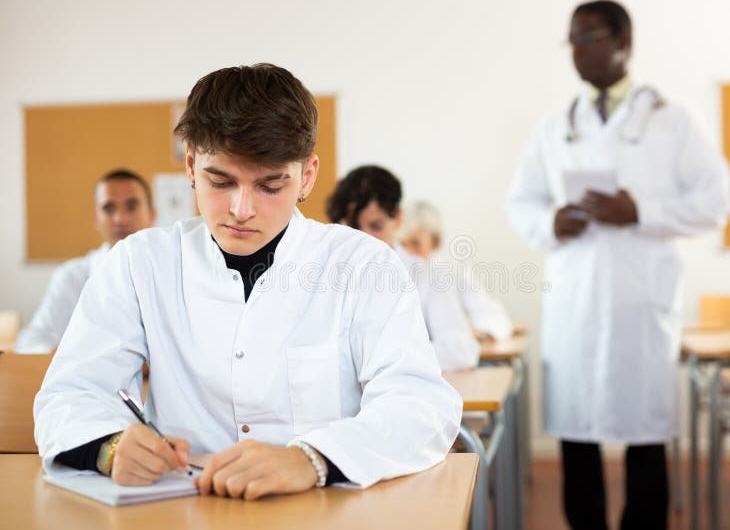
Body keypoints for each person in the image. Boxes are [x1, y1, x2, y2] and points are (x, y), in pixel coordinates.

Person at [34, 63, 462, 498]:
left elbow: (422, 405)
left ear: (306, 177)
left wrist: (312, 459)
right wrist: (110, 447)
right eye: (220, 181)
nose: (241, 209)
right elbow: (69, 396)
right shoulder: (138, 264)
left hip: (323, 509)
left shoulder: (363, 265)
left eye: (270, 186)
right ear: (190, 165)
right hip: (183, 508)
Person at [506, 0, 730, 529]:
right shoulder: (553, 127)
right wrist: (552, 223)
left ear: (622, 39)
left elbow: (716, 202)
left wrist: (642, 212)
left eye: (587, 37)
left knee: (645, 439)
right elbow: (521, 203)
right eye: (572, 40)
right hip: (575, 300)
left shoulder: (671, 121)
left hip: (641, 301)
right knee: (577, 439)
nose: (577, 51)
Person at [327, 166, 480, 371]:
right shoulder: (328, 277)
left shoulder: (427, 277)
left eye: (376, 227)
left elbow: (461, 351)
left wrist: (389, 359)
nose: (366, 240)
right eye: (354, 229)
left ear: (397, 218)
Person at [14, 170, 156, 354]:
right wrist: (72, 357)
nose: (120, 219)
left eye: (132, 206)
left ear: (152, 215)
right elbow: (30, 342)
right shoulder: (71, 276)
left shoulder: (171, 273)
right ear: (96, 219)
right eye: (108, 208)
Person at [402, 200, 513, 340]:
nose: (408, 252)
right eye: (402, 244)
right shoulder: (395, 277)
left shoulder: (454, 273)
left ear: (434, 241)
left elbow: (492, 317)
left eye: (416, 244)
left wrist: (478, 333)